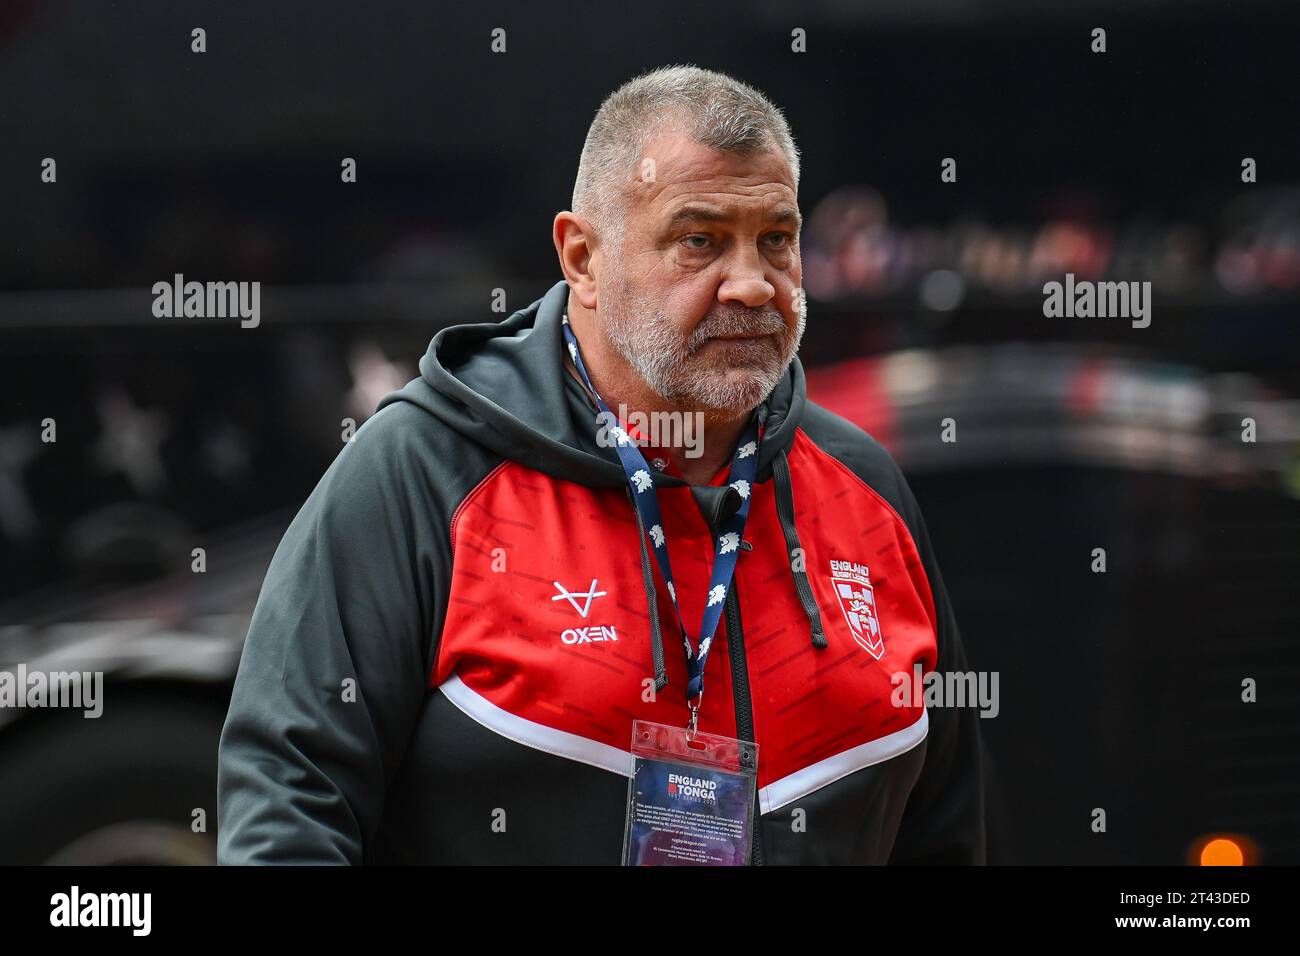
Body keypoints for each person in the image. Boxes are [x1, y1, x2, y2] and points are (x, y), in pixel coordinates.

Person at [217, 64, 985, 865]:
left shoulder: (867, 487)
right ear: (582, 257)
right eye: (701, 241)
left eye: (778, 240)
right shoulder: (424, 471)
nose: (755, 284)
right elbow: (288, 803)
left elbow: (948, 828)